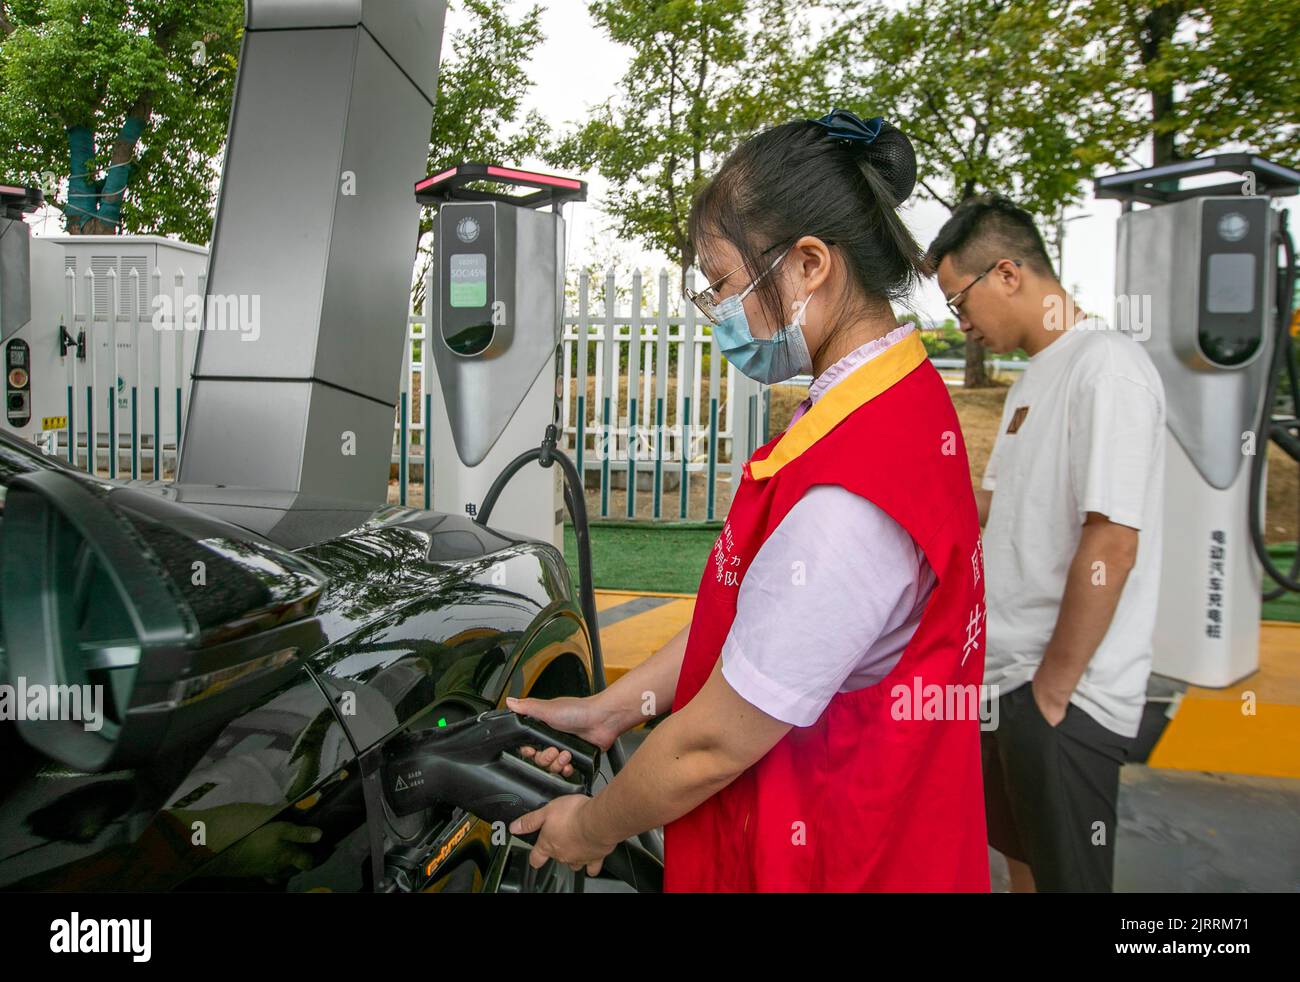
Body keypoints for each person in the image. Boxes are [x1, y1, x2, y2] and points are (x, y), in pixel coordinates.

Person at [506, 109, 989, 892]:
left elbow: (712, 745)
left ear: (808, 265)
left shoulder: (852, 493)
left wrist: (588, 829)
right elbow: (754, 622)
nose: (720, 314)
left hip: (834, 863)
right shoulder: (879, 405)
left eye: (725, 285)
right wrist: (615, 710)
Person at [927, 194, 1167, 893]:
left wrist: (1054, 691)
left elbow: (1111, 541)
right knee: (1024, 871)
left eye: (959, 301)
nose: (962, 324)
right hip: (1006, 684)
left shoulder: (1108, 368)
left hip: (1063, 696)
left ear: (1007, 273)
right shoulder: (1038, 376)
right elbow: (1001, 512)